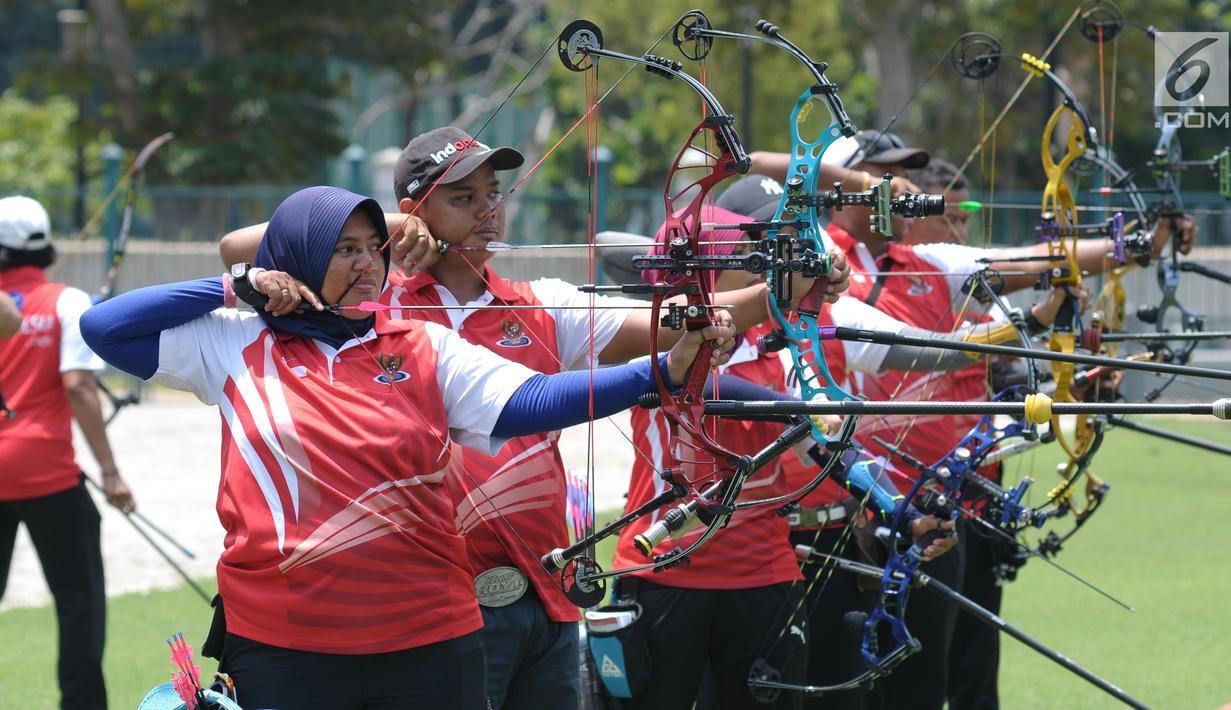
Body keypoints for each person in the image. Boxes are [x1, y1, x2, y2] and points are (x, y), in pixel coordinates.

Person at [218, 126, 851, 710]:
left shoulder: (542, 305)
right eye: (463, 197)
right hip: (438, 602)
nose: (488, 211)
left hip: (544, 587)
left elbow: (673, 329)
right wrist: (380, 224)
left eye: (493, 195)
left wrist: (781, 292)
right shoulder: (365, 302)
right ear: (417, 212)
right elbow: (237, 249)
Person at [82, 185, 739, 710]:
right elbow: (104, 327)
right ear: (297, 258)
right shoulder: (230, 341)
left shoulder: (421, 345)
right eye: (345, 249)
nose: (369, 264)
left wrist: (665, 369)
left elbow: (532, 401)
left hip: (427, 638)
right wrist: (236, 287)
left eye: (375, 248)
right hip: (282, 642)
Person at [749, 130, 1196, 709]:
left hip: (931, 506)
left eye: (905, 177)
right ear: (842, 187)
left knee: (924, 682)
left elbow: (1039, 261)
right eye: (886, 176)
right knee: (839, 690)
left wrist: (1135, 242)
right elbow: (753, 164)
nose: (903, 189)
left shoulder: (931, 262)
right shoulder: (809, 268)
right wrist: (865, 186)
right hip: (838, 515)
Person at [609, 203, 960, 710]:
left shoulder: (781, 344)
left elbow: (822, 442)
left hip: (765, 573)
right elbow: (718, 387)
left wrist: (899, 510)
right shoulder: (654, 340)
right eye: (744, 255)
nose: (761, 264)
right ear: (700, 270)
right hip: (662, 569)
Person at [0, 195, 135, 710]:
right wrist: (111, 472)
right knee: (78, 602)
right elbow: (78, 387)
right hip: (46, 472)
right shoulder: (65, 300)